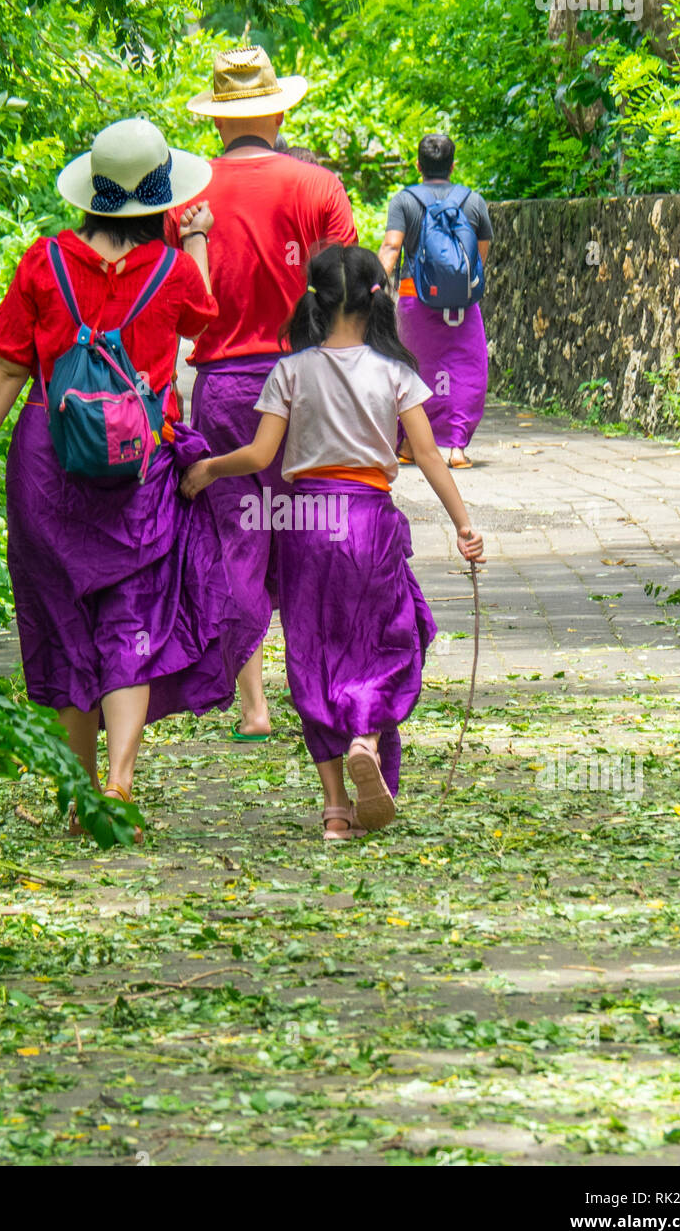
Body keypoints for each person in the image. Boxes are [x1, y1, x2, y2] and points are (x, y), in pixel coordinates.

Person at [0, 118, 263, 837]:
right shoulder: (174, 271)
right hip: (138, 463)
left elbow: (7, 364)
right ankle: (120, 784)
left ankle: (79, 793)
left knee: (65, 619)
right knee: (131, 615)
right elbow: (204, 327)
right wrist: (193, 243)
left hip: (47, 459)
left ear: (90, 194)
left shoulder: (41, 263)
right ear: (160, 201)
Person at [181, 244, 484, 841]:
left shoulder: (289, 371)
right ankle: (367, 737)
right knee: (390, 636)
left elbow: (261, 456)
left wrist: (210, 468)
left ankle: (335, 811)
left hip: (305, 523)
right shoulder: (397, 373)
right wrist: (463, 526)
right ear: (377, 301)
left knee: (312, 654)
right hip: (369, 518)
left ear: (315, 300)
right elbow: (427, 455)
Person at [166, 45, 357, 741]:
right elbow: (347, 291)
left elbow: (180, 305)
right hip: (304, 382)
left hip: (220, 384)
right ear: (278, 111)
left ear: (216, 120)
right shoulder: (317, 188)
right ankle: (326, 691)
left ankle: (252, 705)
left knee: (237, 536)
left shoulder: (187, 195)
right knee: (310, 533)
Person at [379, 134, 493, 468]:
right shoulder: (472, 201)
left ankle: (413, 444)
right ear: (452, 165)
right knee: (465, 368)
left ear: (418, 165)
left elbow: (391, 247)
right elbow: (481, 252)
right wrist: (459, 283)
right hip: (463, 303)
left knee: (414, 369)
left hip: (416, 300)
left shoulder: (404, 201)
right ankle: (456, 447)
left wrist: (373, 284)